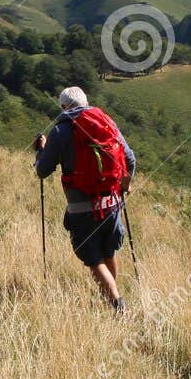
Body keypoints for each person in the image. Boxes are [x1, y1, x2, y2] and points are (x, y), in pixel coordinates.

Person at [33, 86, 136, 310]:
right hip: (112, 204)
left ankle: (117, 305)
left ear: (63, 107)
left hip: (82, 208)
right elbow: (130, 159)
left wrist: (40, 151)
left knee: (93, 259)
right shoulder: (107, 122)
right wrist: (125, 186)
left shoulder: (60, 131)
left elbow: (43, 171)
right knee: (108, 252)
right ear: (85, 102)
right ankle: (111, 295)